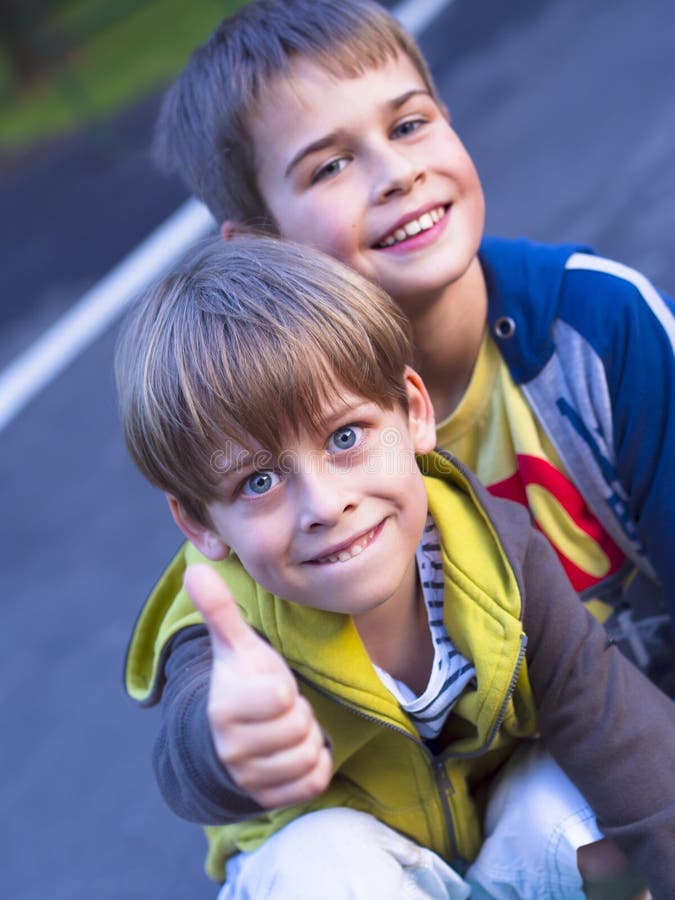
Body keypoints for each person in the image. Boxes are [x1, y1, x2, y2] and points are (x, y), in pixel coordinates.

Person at [118, 234, 675, 899]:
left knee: (601, 802)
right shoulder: (225, 633)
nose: (323, 504)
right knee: (308, 869)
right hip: (364, 873)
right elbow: (188, 757)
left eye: (344, 438)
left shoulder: (494, 549)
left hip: (503, 842)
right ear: (202, 525)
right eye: (259, 482)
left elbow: (607, 718)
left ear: (413, 412)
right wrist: (229, 744)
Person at [152, 0, 675, 693]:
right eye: (330, 167)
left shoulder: (596, 323)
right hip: (500, 777)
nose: (396, 172)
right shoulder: (275, 469)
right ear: (262, 248)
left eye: (407, 125)